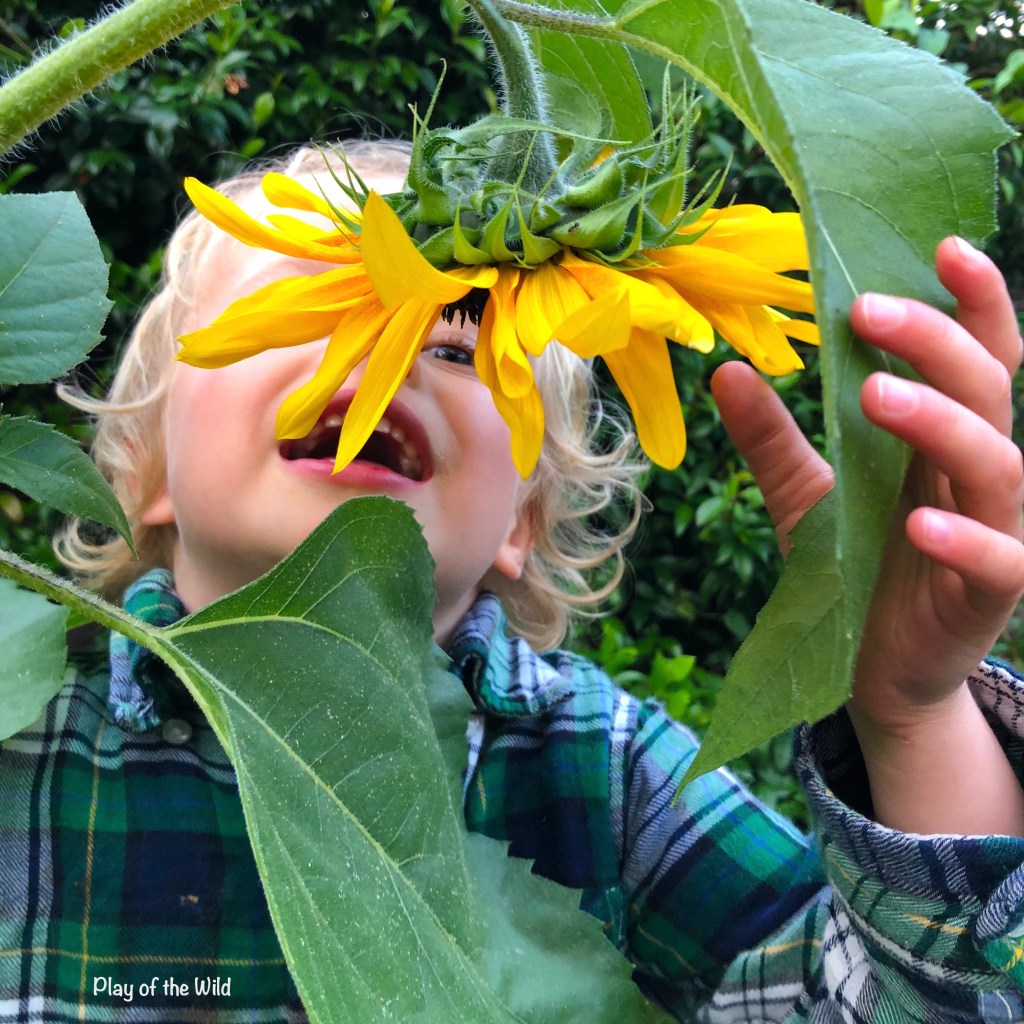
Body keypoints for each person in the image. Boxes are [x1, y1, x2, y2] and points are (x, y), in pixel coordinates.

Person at [2, 139, 1023, 1023]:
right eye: (301, 307)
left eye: (455, 341)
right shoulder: (22, 753)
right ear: (141, 478)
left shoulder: (600, 768)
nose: (382, 349)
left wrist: (912, 717)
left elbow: (877, 997)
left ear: (520, 522)